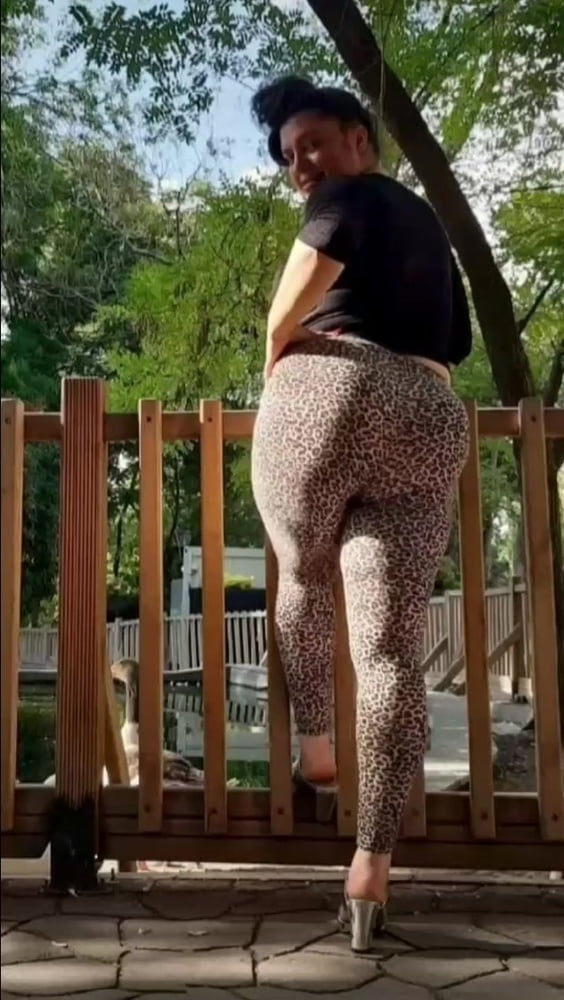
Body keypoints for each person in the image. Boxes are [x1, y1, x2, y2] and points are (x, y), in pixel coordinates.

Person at [250, 76, 472, 953]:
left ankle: (315, 750)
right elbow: (454, 345)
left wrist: (275, 358)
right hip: (431, 413)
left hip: (333, 389)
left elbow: (294, 299)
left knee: (303, 576)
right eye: (288, 155)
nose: (300, 165)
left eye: (311, 143)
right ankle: (371, 867)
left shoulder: (347, 198)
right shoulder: (429, 229)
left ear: (358, 141)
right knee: (389, 651)